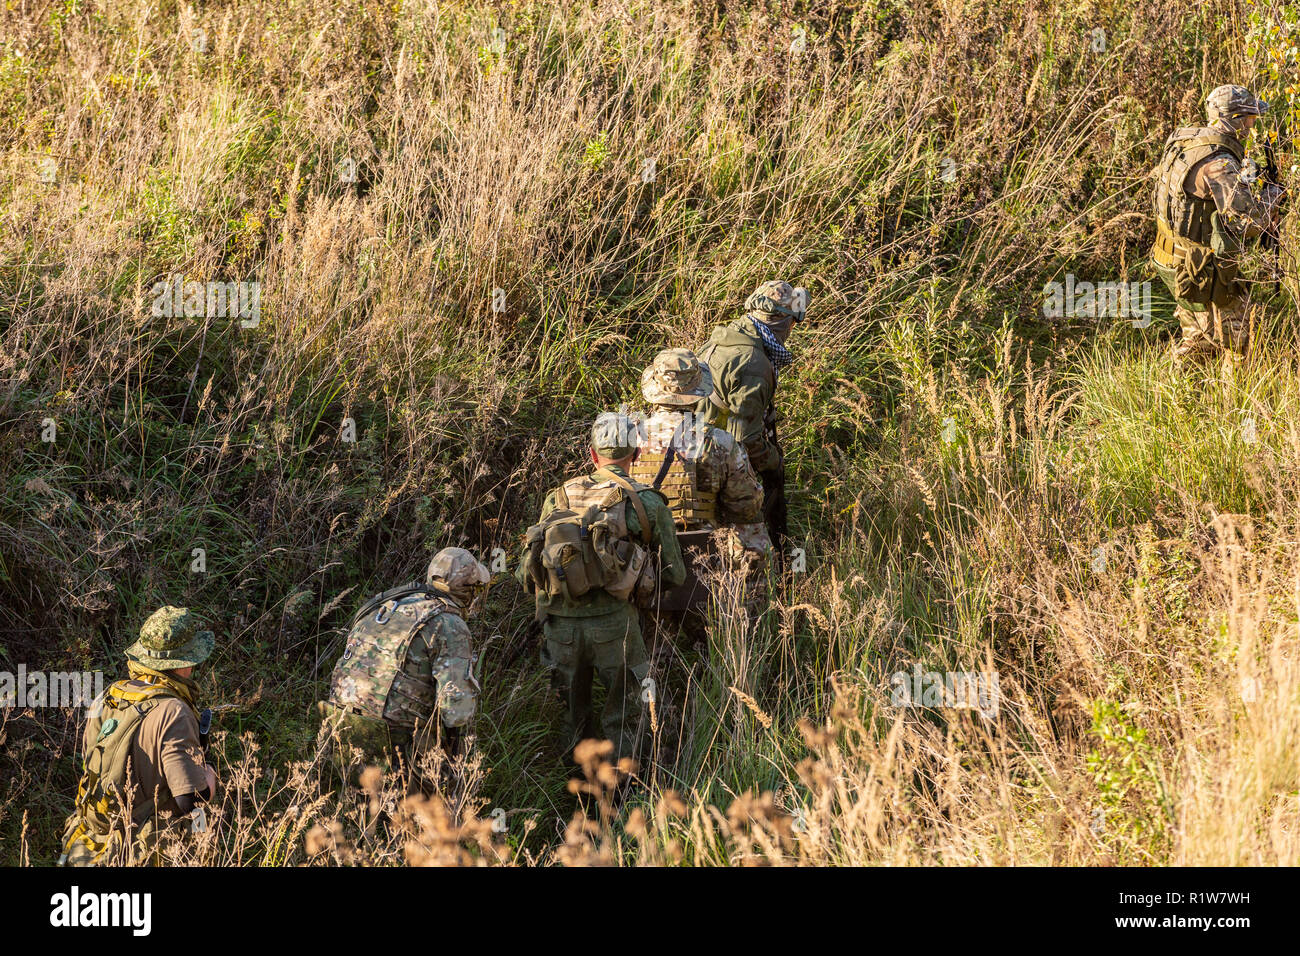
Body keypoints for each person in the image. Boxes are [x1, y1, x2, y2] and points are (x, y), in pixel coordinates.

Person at [516, 412, 685, 764]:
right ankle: (622, 794)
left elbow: (527, 570)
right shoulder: (647, 503)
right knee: (624, 712)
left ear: (592, 455)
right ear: (636, 455)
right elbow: (675, 574)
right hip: (617, 627)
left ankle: (576, 791)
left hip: (560, 626)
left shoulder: (558, 497)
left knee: (569, 713)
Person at [629, 348, 771, 646]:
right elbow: (746, 506)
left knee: (652, 656)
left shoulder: (627, 438)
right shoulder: (719, 442)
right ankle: (745, 638)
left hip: (642, 558)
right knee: (755, 535)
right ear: (698, 392)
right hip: (703, 555)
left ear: (654, 389)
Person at [317, 547, 489, 787]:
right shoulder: (450, 624)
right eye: (479, 589)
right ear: (468, 591)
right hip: (392, 741)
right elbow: (456, 711)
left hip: (340, 724)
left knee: (359, 810)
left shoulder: (389, 604)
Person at [60, 606, 218, 865]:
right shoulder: (174, 712)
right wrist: (210, 775)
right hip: (144, 848)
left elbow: (88, 762)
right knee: (199, 815)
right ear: (186, 662)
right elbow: (189, 799)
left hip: (94, 835)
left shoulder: (109, 695)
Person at [1151, 84, 1285, 363]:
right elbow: (1246, 222)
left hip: (1171, 256)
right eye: (1249, 118)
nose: (1252, 125)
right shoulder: (1219, 163)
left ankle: (1177, 399)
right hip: (1200, 267)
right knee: (1239, 345)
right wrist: (1273, 195)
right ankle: (1233, 398)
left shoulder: (1186, 140)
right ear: (1234, 120)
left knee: (1199, 339)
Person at [698, 279, 808, 560]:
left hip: (693, 447)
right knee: (755, 547)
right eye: (793, 322)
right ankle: (771, 577)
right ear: (783, 324)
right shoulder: (755, 365)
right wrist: (774, 463)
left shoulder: (726, 336)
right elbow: (744, 441)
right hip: (712, 460)